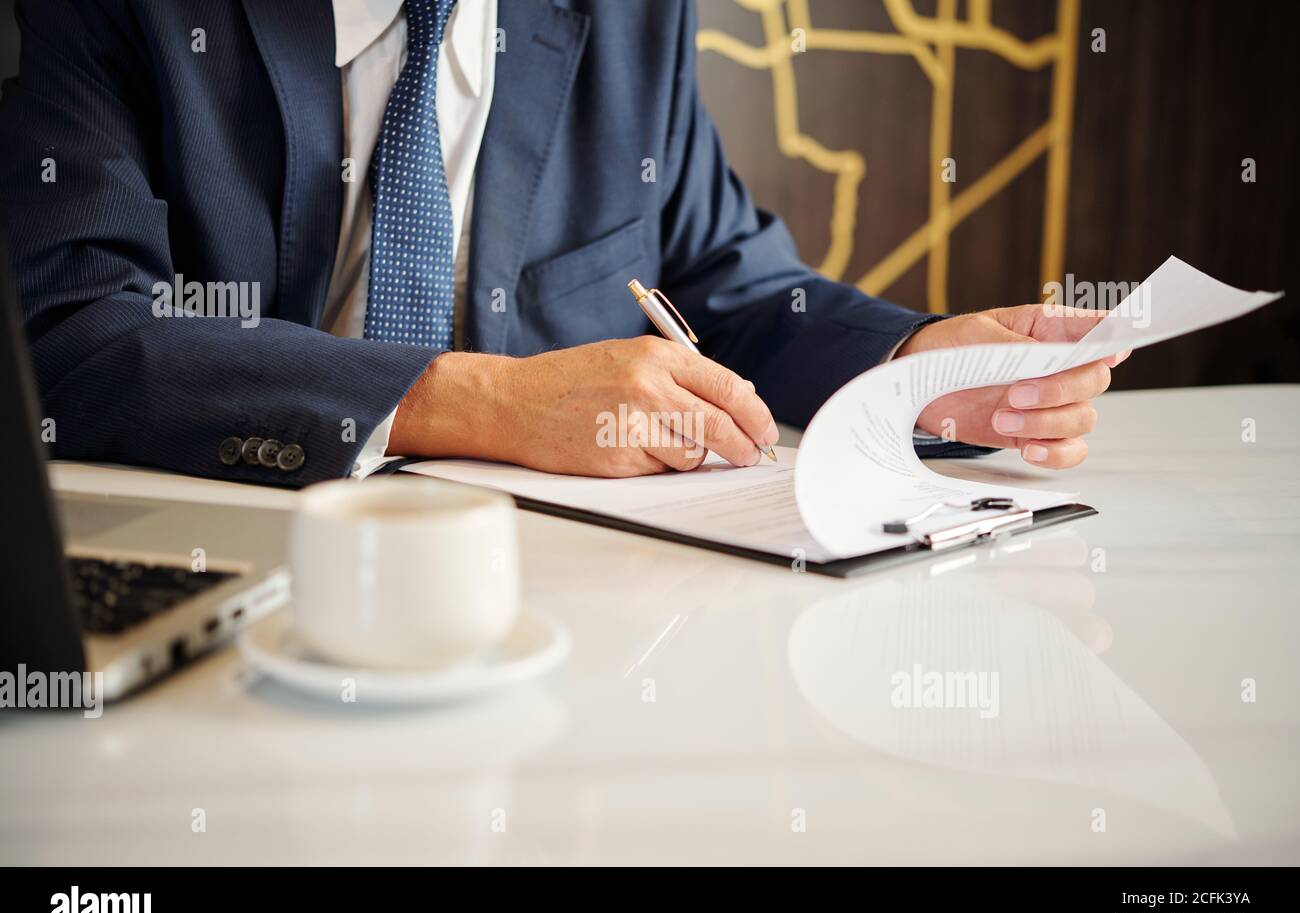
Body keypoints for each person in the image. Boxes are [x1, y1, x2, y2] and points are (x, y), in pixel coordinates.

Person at [0, 0, 1124, 487]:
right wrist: (477, 401)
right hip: (236, 559)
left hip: (557, 613)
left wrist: (911, 368)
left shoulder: (626, 18)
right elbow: (71, 330)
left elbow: (718, 278)